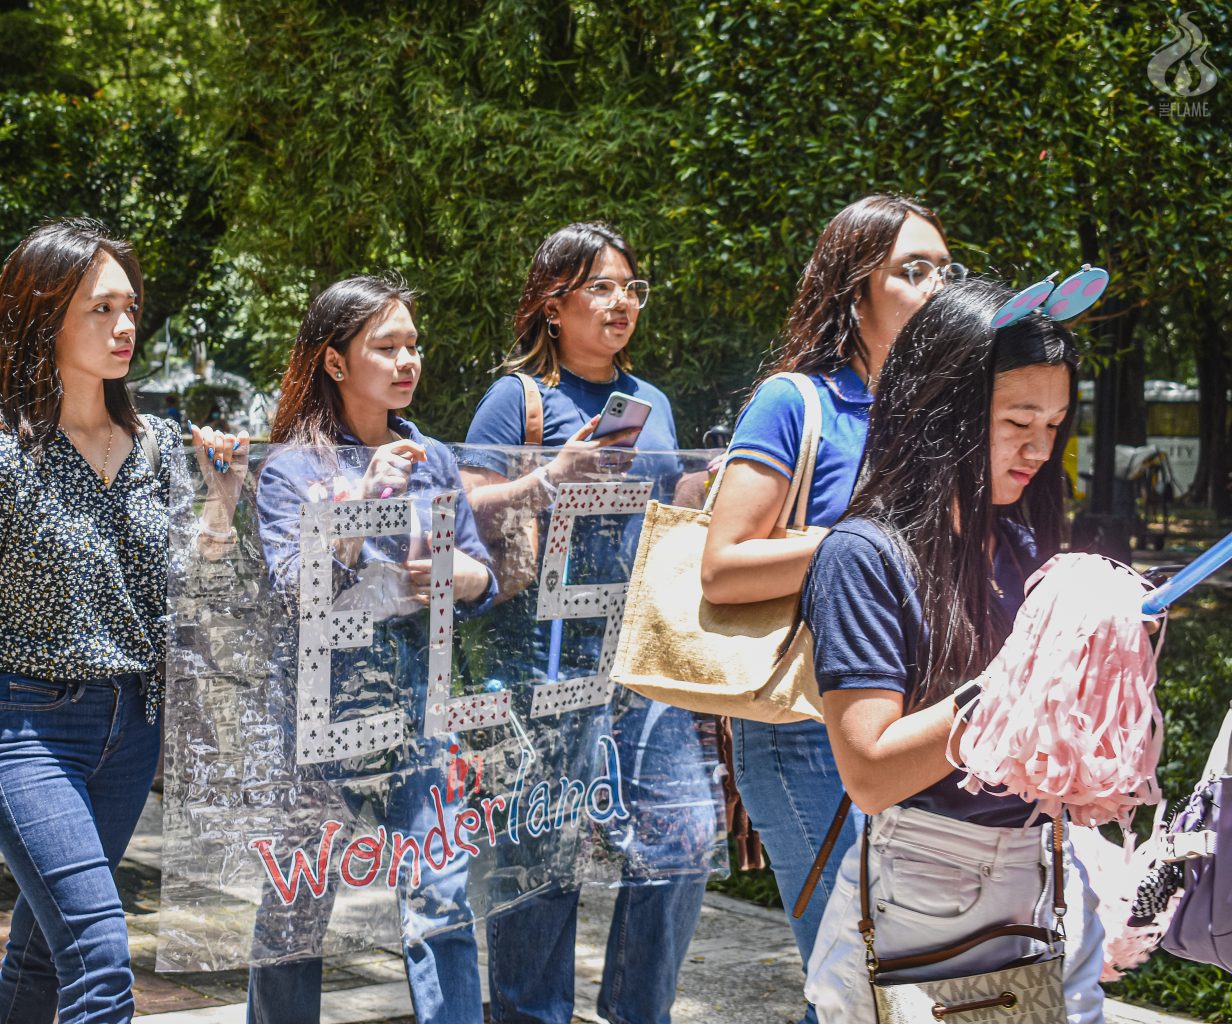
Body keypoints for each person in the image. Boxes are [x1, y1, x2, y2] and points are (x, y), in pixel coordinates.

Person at [0, 218, 245, 1024]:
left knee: (40, 959)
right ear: (45, 318)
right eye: (100, 308)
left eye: (130, 306)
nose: (126, 325)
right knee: (102, 966)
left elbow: (184, 597)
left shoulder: (162, 446)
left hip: (132, 732)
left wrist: (220, 507)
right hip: (32, 731)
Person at [800, 278, 1106, 1022]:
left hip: (1041, 874)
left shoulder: (1016, 542)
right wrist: (1019, 674)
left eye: (1056, 423)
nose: (1041, 448)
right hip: (921, 897)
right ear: (947, 412)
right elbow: (870, 773)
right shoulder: (863, 557)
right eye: (1016, 421)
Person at [699, 194, 959, 1024]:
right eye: (911, 271)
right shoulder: (796, 402)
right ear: (856, 294)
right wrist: (863, 543)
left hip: (903, 726)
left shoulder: (935, 414)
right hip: (802, 730)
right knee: (864, 983)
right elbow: (724, 566)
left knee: (886, 984)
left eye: (945, 272)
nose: (935, 287)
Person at [461, 222, 716, 1024]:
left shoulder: (653, 404)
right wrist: (550, 474)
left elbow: (663, 522)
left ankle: (636, 1011)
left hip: (640, 656)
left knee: (685, 838)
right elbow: (465, 510)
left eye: (631, 289)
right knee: (540, 858)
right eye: (601, 288)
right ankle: (530, 1014)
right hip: (541, 660)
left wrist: (703, 491)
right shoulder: (518, 400)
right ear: (552, 302)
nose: (622, 303)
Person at [246, 275, 495, 1024]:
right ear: (334, 361)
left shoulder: (434, 457)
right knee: (298, 898)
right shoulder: (292, 468)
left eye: (412, 345)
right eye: (385, 347)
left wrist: (448, 572)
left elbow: (482, 577)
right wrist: (359, 506)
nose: (405, 361)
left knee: (442, 895)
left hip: (421, 701)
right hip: (322, 711)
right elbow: (296, 590)